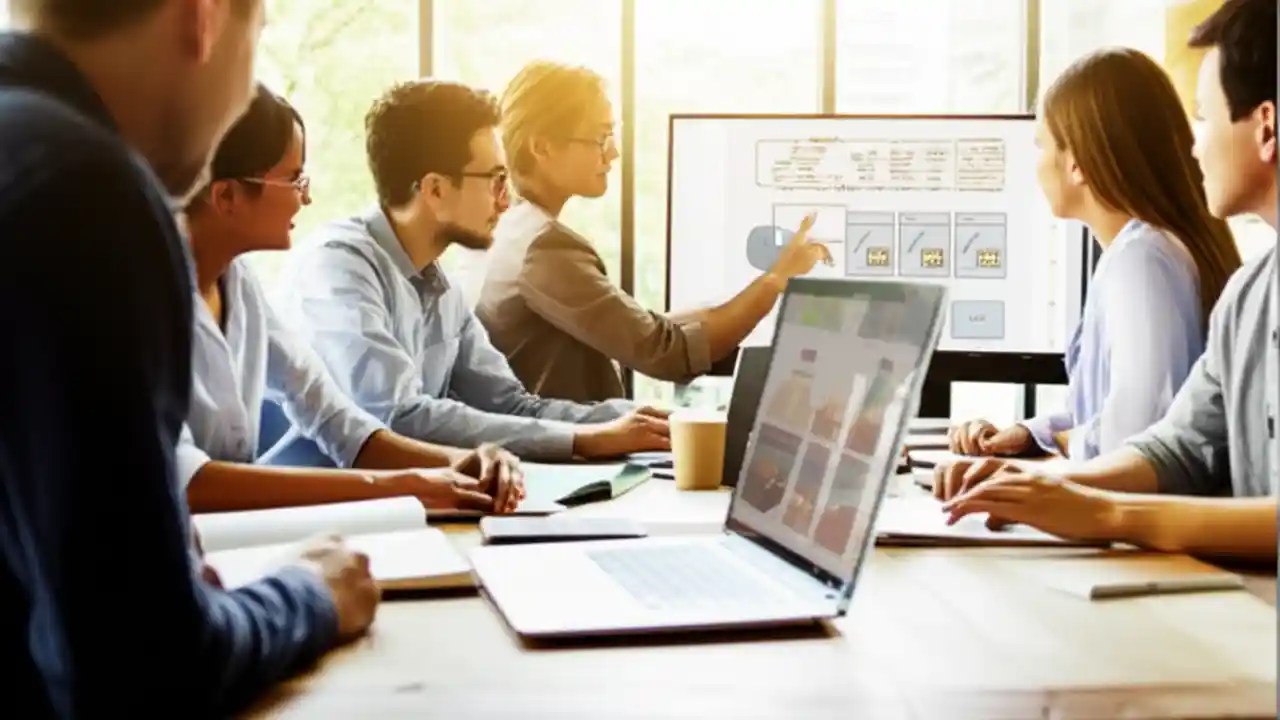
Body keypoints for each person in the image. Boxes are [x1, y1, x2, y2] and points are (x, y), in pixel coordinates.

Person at [0, 0, 374, 715]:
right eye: (258, 37)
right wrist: (310, 592)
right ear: (201, 18)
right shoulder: (83, 188)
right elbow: (142, 665)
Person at [937, 0, 1277, 560]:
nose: (1194, 146)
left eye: (1205, 118)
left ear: (1266, 126)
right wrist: (1045, 484)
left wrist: (1103, 508)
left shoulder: (1145, 258)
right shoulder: (1250, 295)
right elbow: (1175, 448)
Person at [275, 79, 668, 463]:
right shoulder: (338, 268)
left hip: (405, 506)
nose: (506, 199)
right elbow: (396, 418)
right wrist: (583, 440)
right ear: (435, 190)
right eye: (496, 180)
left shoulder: (438, 284)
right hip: (314, 516)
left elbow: (512, 405)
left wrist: (642, 421)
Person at [182, 84, 525, 515]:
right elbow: (187, 481)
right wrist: (405, 485)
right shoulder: (137, 305)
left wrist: (463, 462)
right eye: (293, 179)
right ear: (226, 196)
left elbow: (333, 417)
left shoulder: (241, 286)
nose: (306, 196)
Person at [478, 60, 832, 403]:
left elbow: (644, 329)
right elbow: (667, 353)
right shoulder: (545, 250)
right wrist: (778, 279)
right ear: (542, 146)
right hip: (561, 454)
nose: (613, 152)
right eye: (600, 137)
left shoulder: (511, 229)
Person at [949, 48, 1242, 462]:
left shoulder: (1142, 260)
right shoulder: (1138, 252)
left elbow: (1137, 434)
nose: (1036, 165)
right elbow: (1107, 408)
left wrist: (1060, 446)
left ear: (1077, 164)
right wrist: (1030, 434)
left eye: (1041, 146)